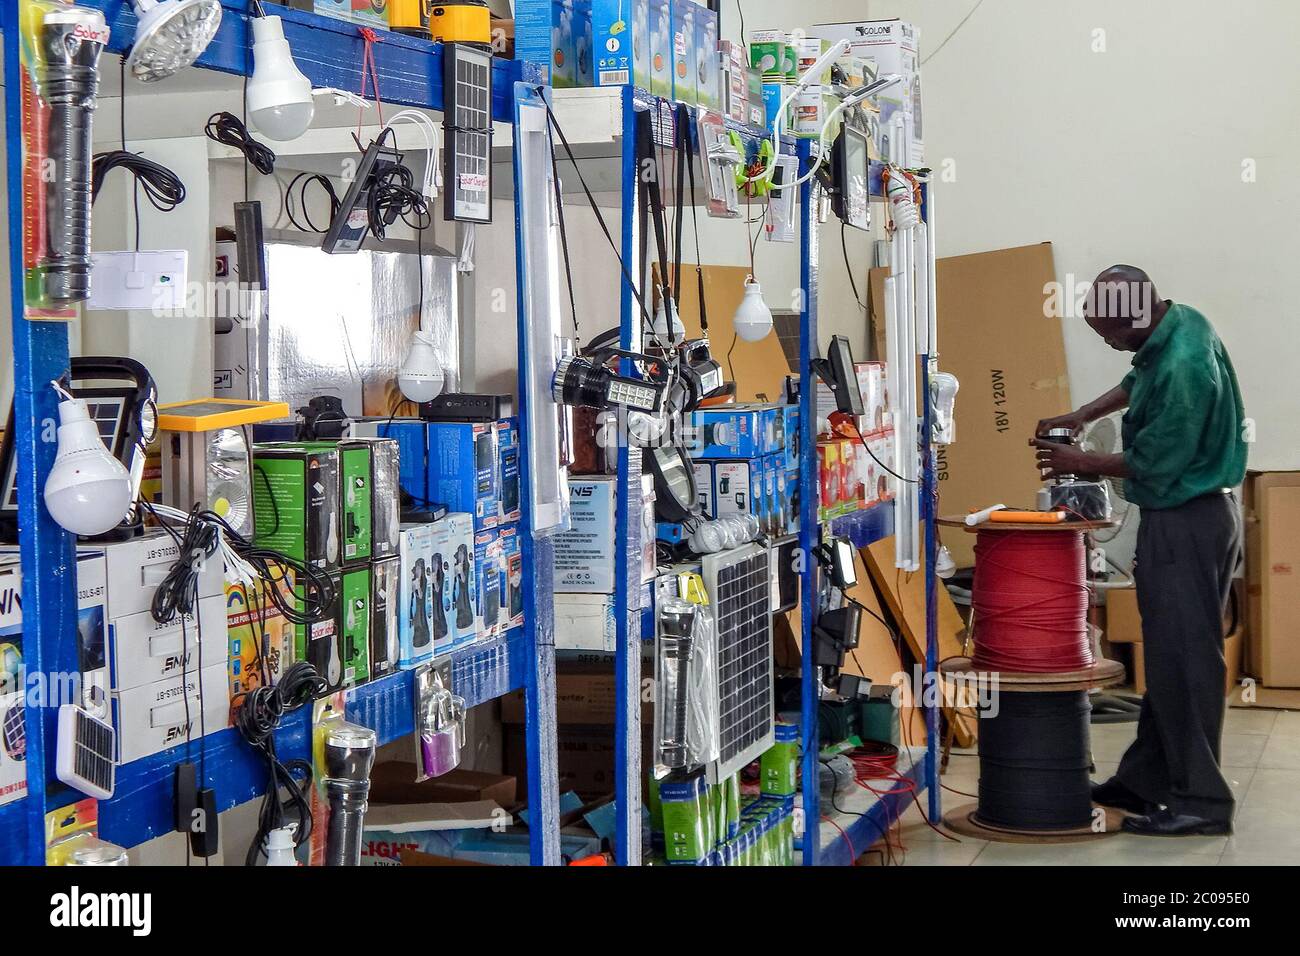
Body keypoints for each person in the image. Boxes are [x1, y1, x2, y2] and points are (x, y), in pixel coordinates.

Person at [1033, 265, 1246, 837]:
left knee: (1186, 662)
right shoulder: (1180, 325)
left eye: (1108, 332)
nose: (1106, 342)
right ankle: (1147, 779)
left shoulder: (1183, 366)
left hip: (1188, 518)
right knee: (1169, 658)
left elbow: (1157, 461)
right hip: (1183, 515)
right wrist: (1082, 416)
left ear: (1135, 315)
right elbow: (1135, 381)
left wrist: (1078, 463)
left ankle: (1202, 801)